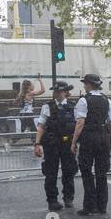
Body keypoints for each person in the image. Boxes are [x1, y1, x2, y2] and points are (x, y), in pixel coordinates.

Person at [71, 73, 111, 215]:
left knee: (86, 171)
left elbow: (80, 123)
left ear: (89, 84)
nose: (84, 86)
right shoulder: (106, 100)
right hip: (104, 137)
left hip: (89, 137)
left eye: (85, 83)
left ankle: (89, 206)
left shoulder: (84, 101)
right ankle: (102, 206)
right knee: (102, 173)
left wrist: (73, 142)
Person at [33, 82, 79, 211]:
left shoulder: (73, 107)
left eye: (59, 92)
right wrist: (37, 144)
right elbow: (41, 126)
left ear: (65, 92)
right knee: (50, 173)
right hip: (52, 144)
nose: (56, 94)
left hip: (68, 144)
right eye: (55, 92)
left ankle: (68, 198)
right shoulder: (47, 107)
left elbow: (78, 126)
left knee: (69, 172)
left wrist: (76, 143)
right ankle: (52, 201)